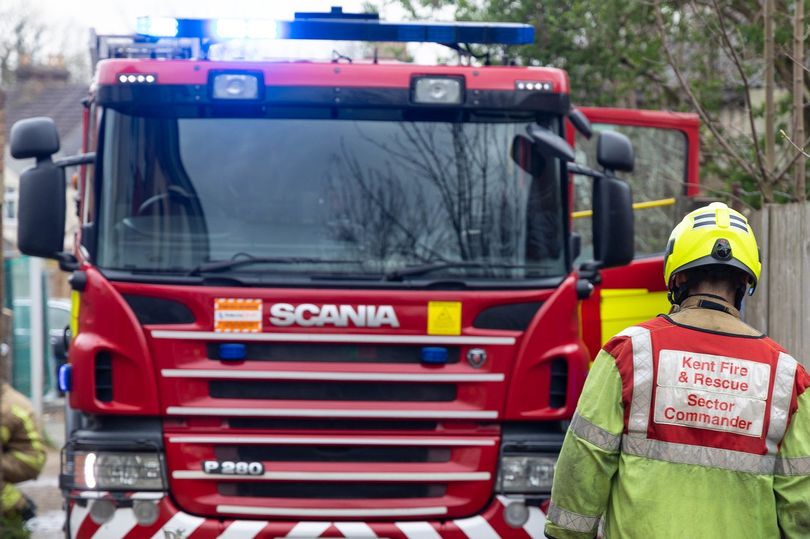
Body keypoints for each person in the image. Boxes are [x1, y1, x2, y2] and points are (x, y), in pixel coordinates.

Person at [544, 202, 810, 539]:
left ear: (678, 276)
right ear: (745, 280)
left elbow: (584, 464)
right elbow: (801, 505)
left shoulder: (629, 352)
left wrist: (564, 534)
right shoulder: (788, 377)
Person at [1, 381, 46, 523]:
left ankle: (19, 506)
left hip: (26, 459)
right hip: (28, 456)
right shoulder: (7, 396)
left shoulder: (5, 408)